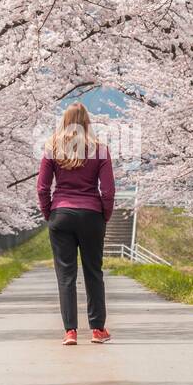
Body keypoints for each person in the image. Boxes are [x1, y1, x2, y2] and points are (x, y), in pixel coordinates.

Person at [37, 102, 115, 346]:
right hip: (91, 215)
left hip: (61, 214)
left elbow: (42, 187)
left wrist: (49, 213)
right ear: (87, 122)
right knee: (93, 272)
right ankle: (97, 329)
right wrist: (105, 215)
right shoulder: (100, 150)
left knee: (66, 275)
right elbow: (109, 190)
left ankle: (70, 331)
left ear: (64, 120)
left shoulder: (52, 148)